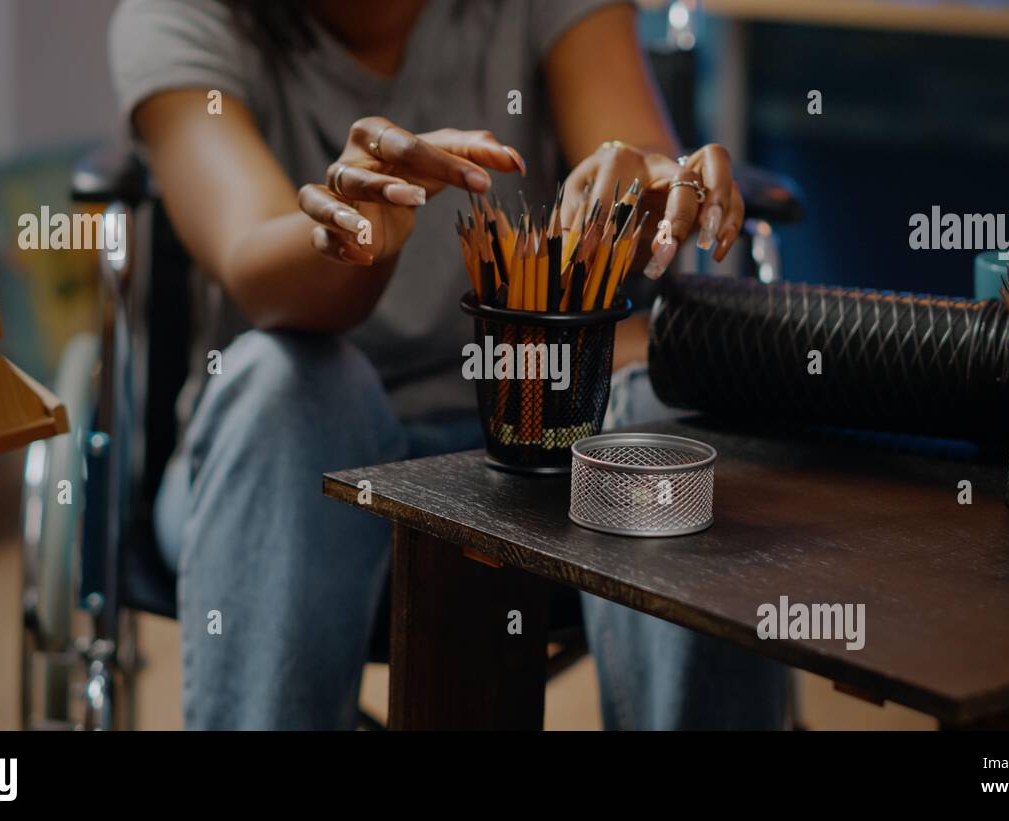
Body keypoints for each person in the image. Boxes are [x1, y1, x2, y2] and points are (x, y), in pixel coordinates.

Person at [110, 0, 786, 729]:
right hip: (289, 468)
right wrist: (360, 232)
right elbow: (252, 266)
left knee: (665, 417)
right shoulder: (179, 17)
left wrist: (651, 199)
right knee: (287, 384)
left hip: (538, 435)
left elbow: (635, 181)